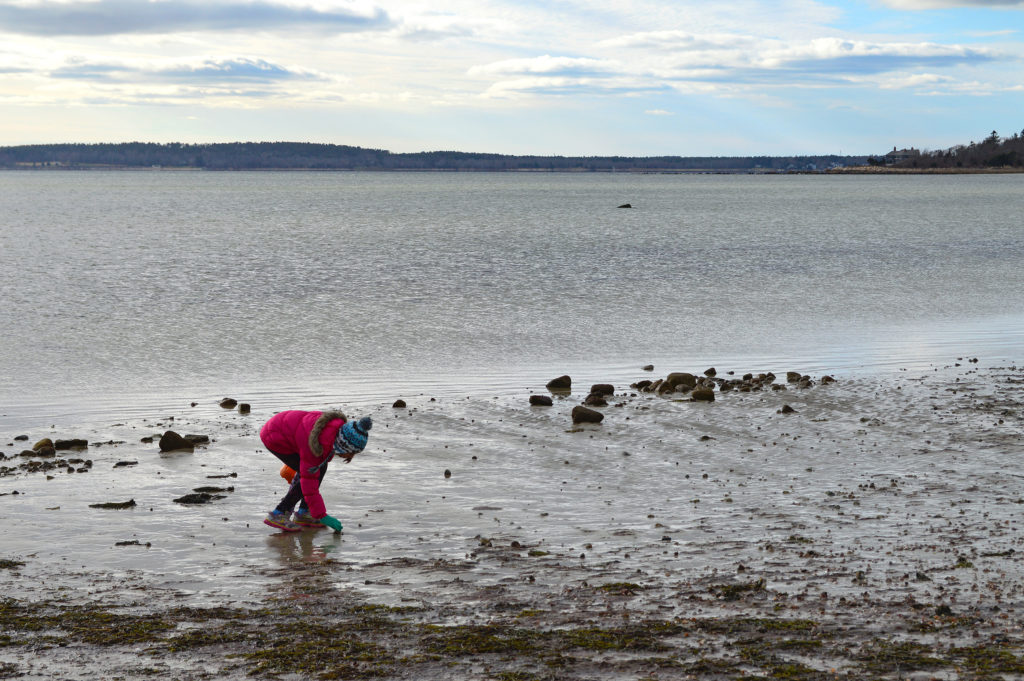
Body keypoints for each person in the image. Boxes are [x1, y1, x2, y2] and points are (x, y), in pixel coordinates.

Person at [258, 409, 372, 532]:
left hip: (289, 429)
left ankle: (304, 513)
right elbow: (309, 485)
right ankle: (279, 513)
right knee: (308, 475)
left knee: (319, 468)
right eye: (351, 452)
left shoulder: (335, 433)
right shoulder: (315, 445)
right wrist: (322, 515)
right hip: (275, 436)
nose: (350, 456)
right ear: (343, 445)